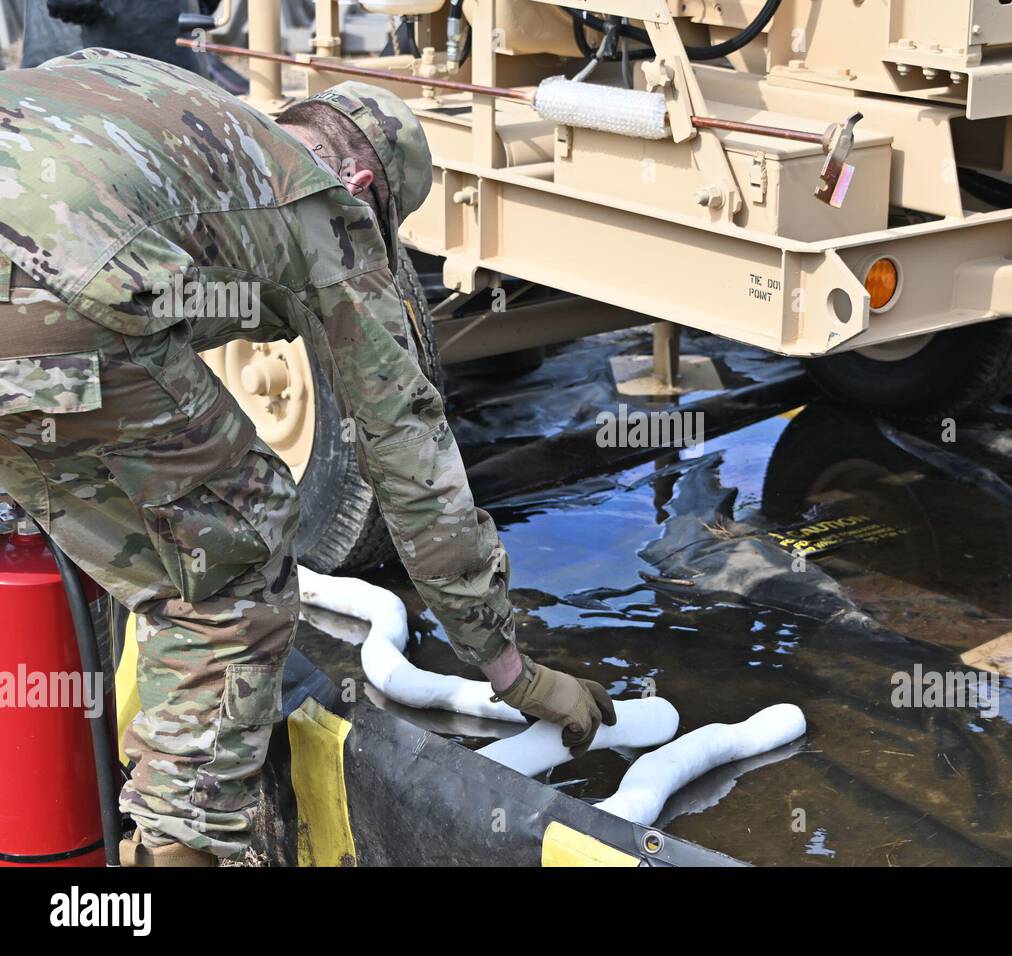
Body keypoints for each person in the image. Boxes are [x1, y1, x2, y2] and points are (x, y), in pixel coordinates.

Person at [0, 49, 615, 866]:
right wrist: (511, 668)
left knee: (153, 564)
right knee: (235, 570)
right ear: (364, 187)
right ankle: (168, 864)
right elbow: (411, 458)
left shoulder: (156, 99)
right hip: (51, 310)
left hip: (42, 302)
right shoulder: (323, 205)